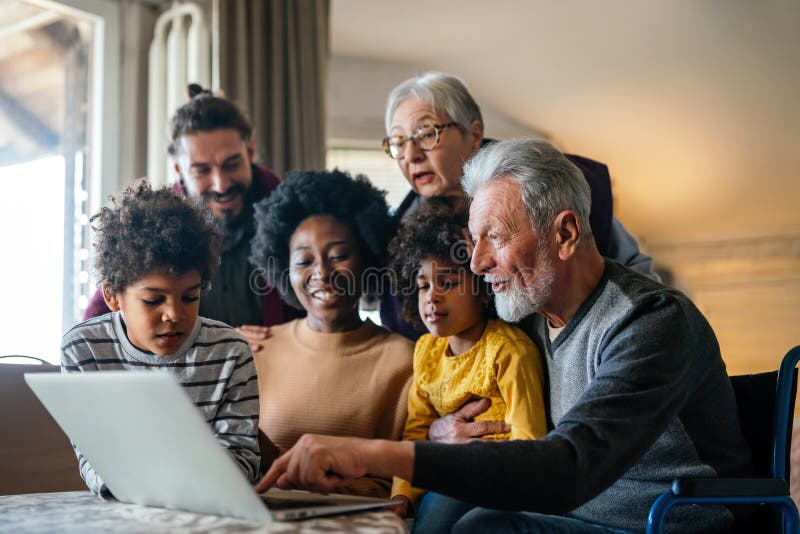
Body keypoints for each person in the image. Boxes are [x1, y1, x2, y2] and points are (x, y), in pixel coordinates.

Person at [256, 139, 751, 533]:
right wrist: (437, 434)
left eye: (496, 236)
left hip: (663, 523)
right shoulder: (526, 314)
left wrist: (366, 452)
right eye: (475, 241)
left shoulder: (650, 320)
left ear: (565, 233)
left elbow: (569, 467)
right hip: (574, 517)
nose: (477, 263)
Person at [379, 71, 656, 340]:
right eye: (398, 142)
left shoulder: (543, 184)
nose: (411, 155)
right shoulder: (402, 232)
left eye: (427, 134)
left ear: (474, 134)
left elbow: (638, 280)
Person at [61, 180, 260, 498]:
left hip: (209, 507)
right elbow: (94, 458)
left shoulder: (229, 353)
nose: (174, 315)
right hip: (124, 507)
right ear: (113, 296)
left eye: (190, 297)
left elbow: (243, 459)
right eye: (154, 300)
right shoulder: (85, 349)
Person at [83, 85, 297, 350]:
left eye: (232, 164)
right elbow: (95, 325)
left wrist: (283, 338)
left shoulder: (294, 219)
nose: (220, 184)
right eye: (201, 171)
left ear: (250, 152)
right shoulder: (153, 228)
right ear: (178, 170)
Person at [248, 170, 414, 497]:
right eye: (304, 261)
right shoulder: (257, 350)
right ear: (284, 270)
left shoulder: (404, 359)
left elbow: (408, 480)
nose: (322, 273)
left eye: (338, 256)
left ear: (368, 258)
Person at [388, 203, 547, 529]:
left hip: (499, 484)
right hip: (447, 473)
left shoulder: (509, 351)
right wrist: (401, 494)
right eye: (423, 285)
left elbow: (531, 443)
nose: (431, 297)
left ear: (484, 291)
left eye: (447, 282)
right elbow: (417, 430)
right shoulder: (426, 351)